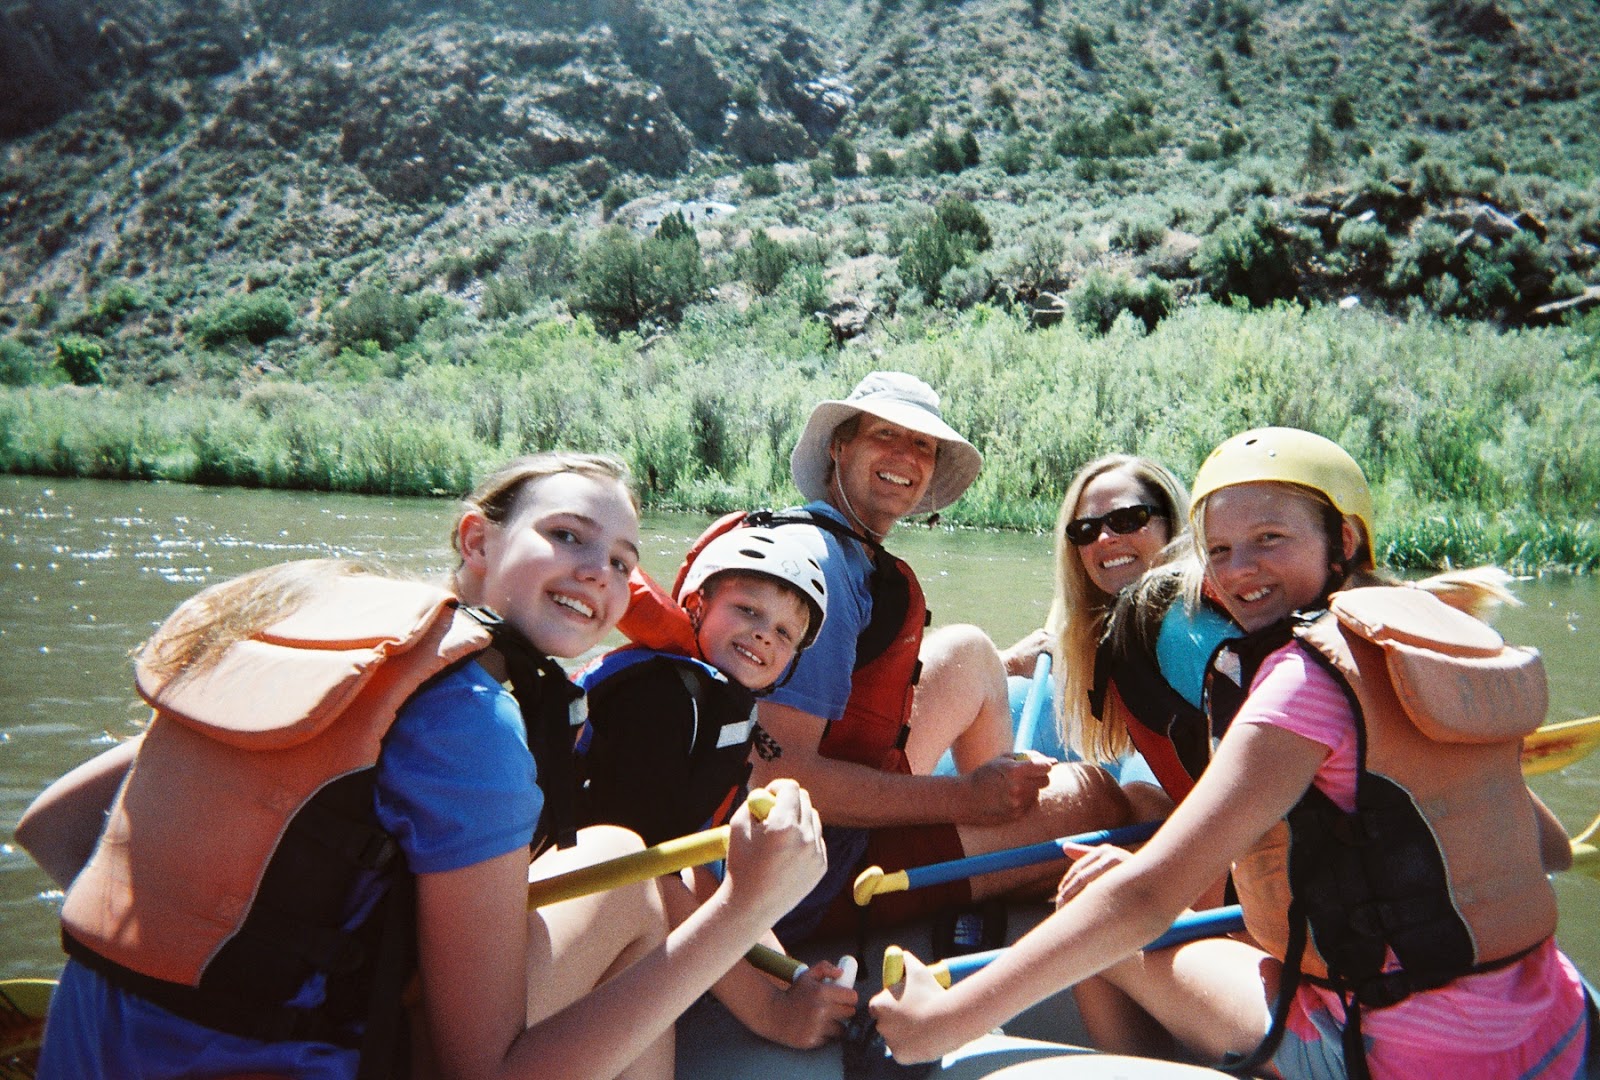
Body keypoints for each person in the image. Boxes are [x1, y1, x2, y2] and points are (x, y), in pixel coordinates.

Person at [21, 451, 827, 1080]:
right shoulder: (471, 725)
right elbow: (488, 1072)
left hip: (87, 1047)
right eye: (569, 536)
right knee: (622, 870)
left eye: (623, 560)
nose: (601, 574)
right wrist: (742, 912)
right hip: (281, 1061)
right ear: (477, 539)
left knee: (608, 856)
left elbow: (54, 826)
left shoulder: (334, 641)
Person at [869, 427, 1587, 1080]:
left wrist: (942, 1021)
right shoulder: (1422, 649)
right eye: (1218, 550)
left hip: (1399, 1054)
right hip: (1561, 1025)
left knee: (1087, 905)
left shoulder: (1304, 682)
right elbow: (1549, 849)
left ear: (1341, 539)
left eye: (1270, 538)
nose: (1239, 570)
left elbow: (1145, 900)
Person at [731, 371, 1132, 942]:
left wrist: (1004, 662)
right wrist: (965, 797)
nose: (906, 456)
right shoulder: (821, 572)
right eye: (885, 435)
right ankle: (984, 858)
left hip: (814, 830)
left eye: (922, 444)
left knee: (970, 653)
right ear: (839, 446)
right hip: (799, 878)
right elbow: (776, 777)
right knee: (1097, 800)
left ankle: (985, 851)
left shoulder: (821, 542)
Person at [576, 524, 859, 1049]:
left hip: (621, 895)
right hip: (573, 906)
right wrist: (771, 1010)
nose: (763, 636)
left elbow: (705, 873)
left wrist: (790, 973)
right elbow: (644, 875)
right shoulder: (662, 703)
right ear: (698, 604)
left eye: (784, 634)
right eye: (749, 611)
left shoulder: (719, 712)